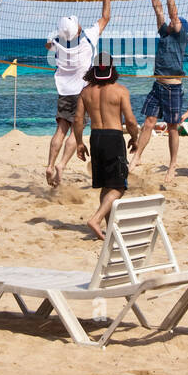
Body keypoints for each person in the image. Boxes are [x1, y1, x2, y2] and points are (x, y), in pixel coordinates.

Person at [45, 0, 111, 187]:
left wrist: (61, 34)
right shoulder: (88, 38)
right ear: (77, 29)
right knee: (76, 132)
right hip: (83, 93)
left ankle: (49, 164)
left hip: (63, 92)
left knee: (60, 130)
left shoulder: (56, 43)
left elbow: (49, 42)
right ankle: (62, 165)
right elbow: (105, 17)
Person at [74, 52, 140, 239]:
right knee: (119, 187)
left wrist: (79, 143)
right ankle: (95, 219)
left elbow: (78, 119)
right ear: (112, 69)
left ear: (94, 70)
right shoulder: (120, 90)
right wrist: (134, 138)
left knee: (106, 186)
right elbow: (131, 121)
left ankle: (110, 227)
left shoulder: (86, 92)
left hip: (96, 138)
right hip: (113, 137)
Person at [130, 0, 188, 182]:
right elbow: (158, 9)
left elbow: (173, 14)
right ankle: (136, 157)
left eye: (178, 22)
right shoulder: (164, 33)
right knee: (148, 121)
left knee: (172, 127)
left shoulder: (180, 35)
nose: (174, 22)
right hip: (158, 84)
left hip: (173, 87)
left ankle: (172, 165)